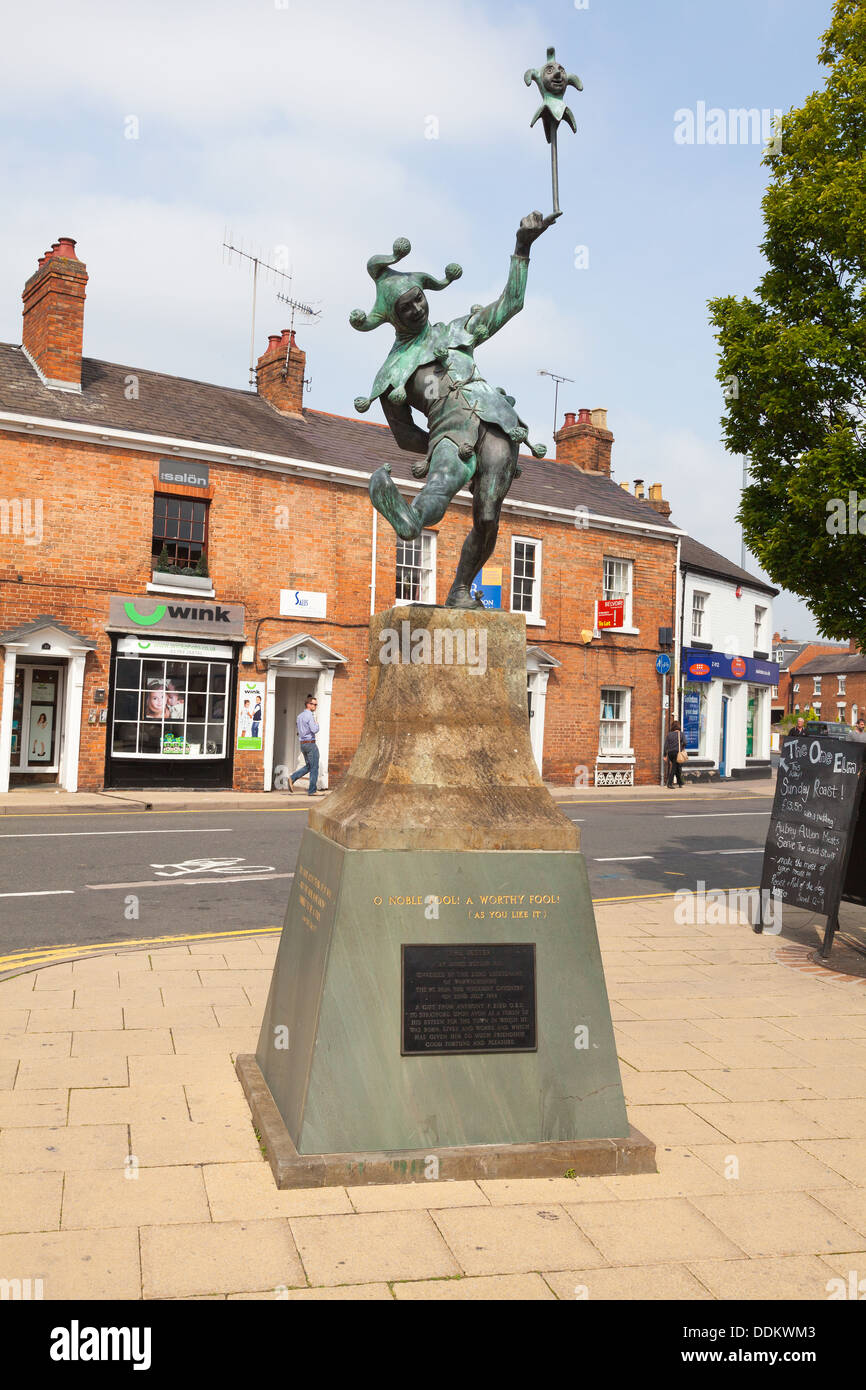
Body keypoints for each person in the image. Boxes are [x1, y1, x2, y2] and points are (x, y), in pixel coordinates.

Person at [288, 695, 322, 796]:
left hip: (303, 744)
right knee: (314, 767)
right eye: (313, 704)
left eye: (316, 705)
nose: (315, 706)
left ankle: (292, 778)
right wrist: (316, 721)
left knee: (309, 766)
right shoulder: (310, 716)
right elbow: (314, 729)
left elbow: (299, 730)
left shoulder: (299, 716)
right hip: (310, 744)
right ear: (308, 704)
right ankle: (312, 790)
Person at [664, 720, 686, 788]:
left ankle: (680, 783)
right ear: (679, 726)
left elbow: (665, 745)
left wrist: (665, 755)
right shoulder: (681, 734)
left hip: (670, 753)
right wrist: (682, 748)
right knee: (674, 768)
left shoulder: (669, 734)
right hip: (677, 753)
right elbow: (685, 742)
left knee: (677, 767)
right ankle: (669, 783)